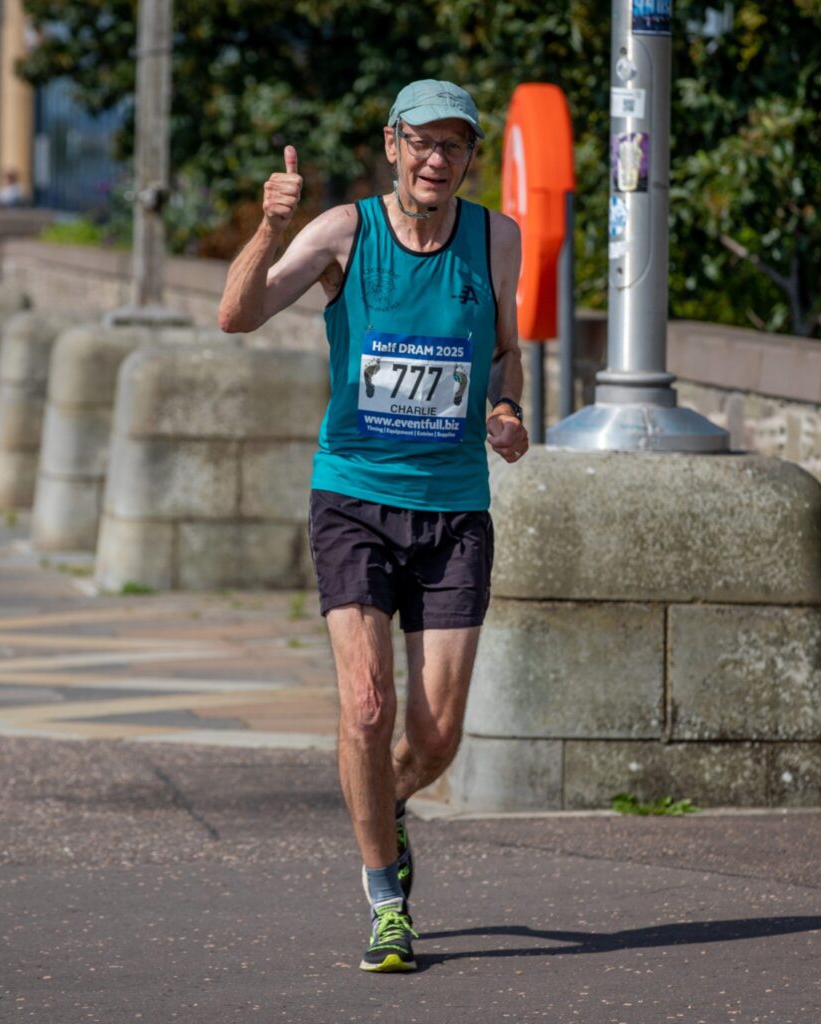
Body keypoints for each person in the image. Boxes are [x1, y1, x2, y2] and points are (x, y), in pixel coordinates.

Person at [217, 80, 528, 973]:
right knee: (365, 706)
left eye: (455, 147)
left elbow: (506, 348)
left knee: (434, 739)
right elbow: (236, 315)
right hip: (354, 496)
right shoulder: (343, 233)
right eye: (422, 143)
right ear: (392, 145)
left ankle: (379, 802)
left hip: (455, 506)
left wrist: (506, 406)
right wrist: (273, 227)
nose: (437, 161)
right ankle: (386, 898)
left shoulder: (495, 236)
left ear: (470, 157)